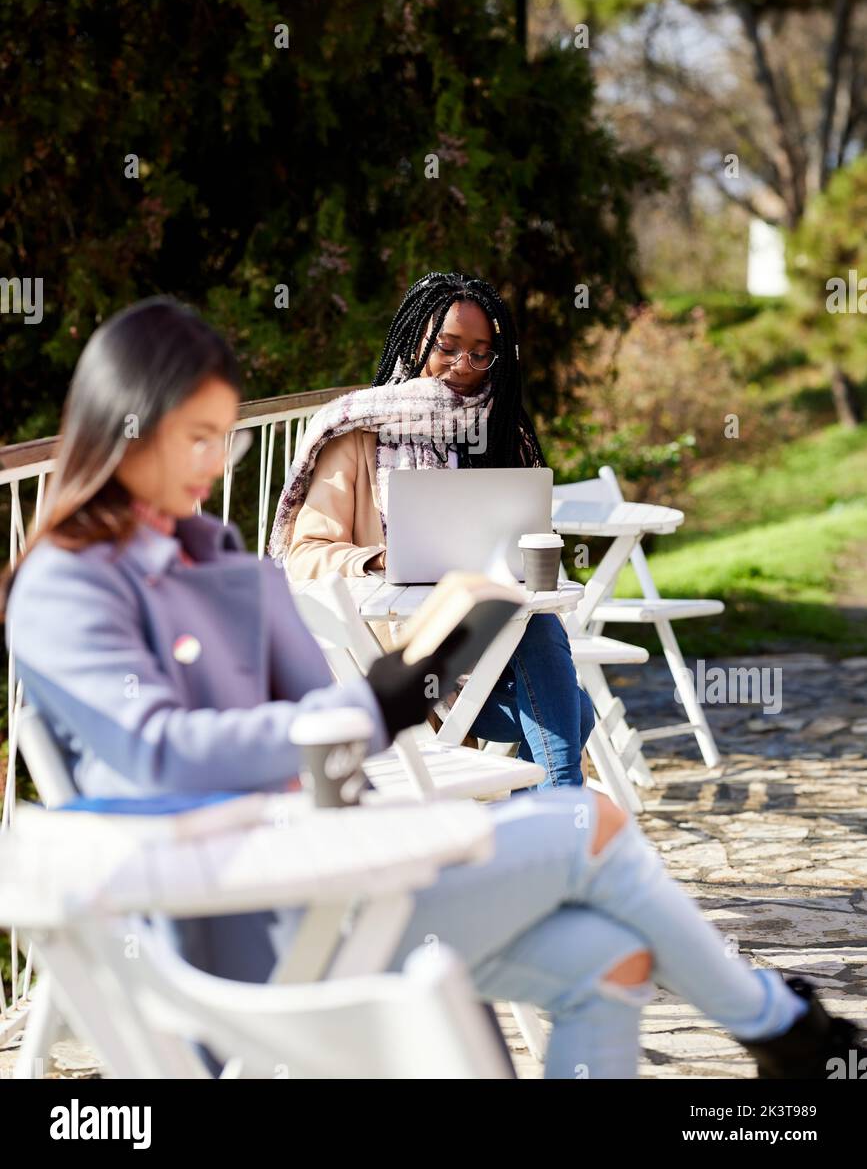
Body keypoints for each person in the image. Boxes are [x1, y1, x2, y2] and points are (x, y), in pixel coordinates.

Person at [4, 297, 862, 1078]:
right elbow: (159, 753)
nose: (212, 462)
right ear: (122, 427)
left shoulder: (226, 566)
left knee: (607, 957)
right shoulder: (66, 585)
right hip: (228, 922)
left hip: (324, 881)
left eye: (223, 435)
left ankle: (781, 1032)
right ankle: (781, 1030)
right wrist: (381, 698)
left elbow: (337, 731)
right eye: (194, 435)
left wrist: (423, 669)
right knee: (586, 823)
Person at [269, 271, 596, 787]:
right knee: (574, 713)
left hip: (492, 649)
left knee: (541, 633)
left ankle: (554, 809)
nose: (462, 366)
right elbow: (304, 553)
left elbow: (525, 533)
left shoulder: (499, 427)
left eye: (481, 353)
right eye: (447, 346)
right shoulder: (356, 433)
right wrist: (379, 559)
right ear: (417, 338)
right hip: (401, 659)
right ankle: (559, 811)